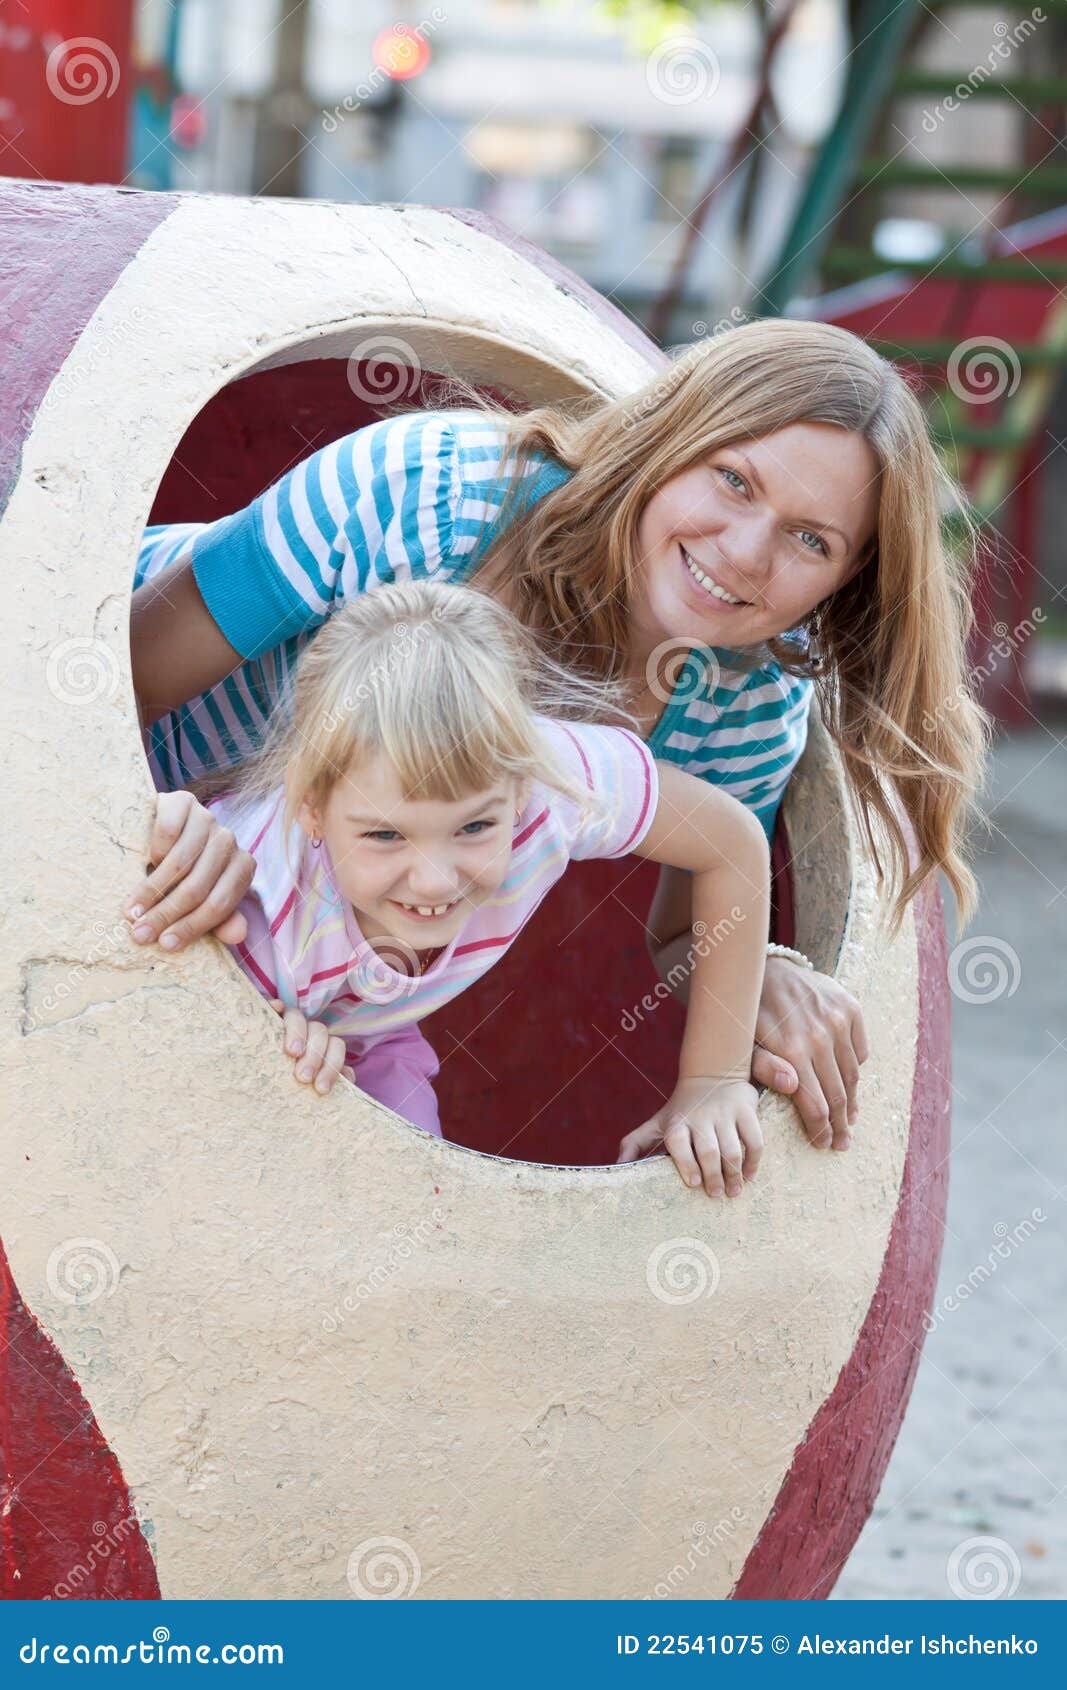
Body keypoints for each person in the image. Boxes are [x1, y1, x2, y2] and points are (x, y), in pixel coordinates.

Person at [126, 318, 990, 1152]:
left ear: (846, 582)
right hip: (152, 789)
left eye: (810, 539)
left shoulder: (745, 706)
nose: (746, 553)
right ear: (669, 439)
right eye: (732, 479)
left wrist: (757, 970)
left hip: (297, 955)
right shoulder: (428, 497)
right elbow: (101, 690)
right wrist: (158, 822)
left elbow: (688, 924)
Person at [184, 578, 772, 1199]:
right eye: (385, 836)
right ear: (310, 808)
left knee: (419, 1198)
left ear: (519, 792)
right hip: (275, 1029)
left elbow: (730, 843)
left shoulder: (552, 782)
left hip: (375, 1030)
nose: (435, 879)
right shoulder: (251, 889)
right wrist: (254, 1038)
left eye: (474, 827)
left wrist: (714, 1077)